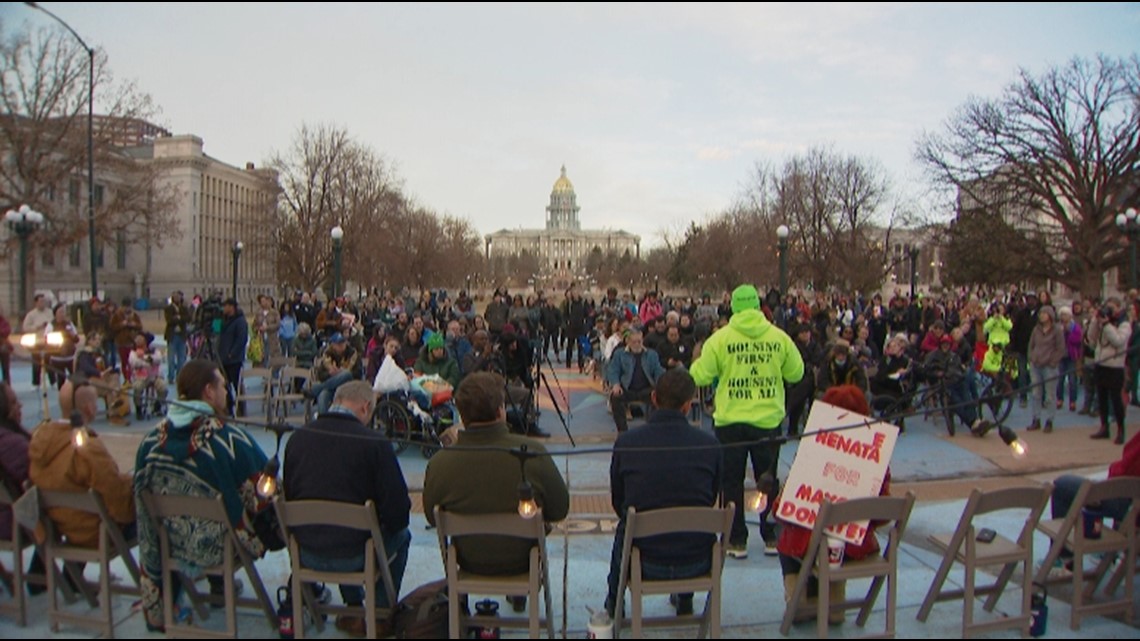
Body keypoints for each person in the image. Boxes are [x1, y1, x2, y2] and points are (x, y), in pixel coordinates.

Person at [134, 359, 277, 632]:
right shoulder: (229, 440)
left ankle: (206, 588)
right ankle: (301, 599)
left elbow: (141, 503)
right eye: (223, 385)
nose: (227, 392)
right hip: (221, 547)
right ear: (209, 392)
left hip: (171, 543)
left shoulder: (150, 444)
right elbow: (265, 494)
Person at [284, 381, 411, 637]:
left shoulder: (297, 439)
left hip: (305, 551)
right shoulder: (375, 444)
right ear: (365, 408)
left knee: (342, 530)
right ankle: (380, 615)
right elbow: (399, 514)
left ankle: (353, 607)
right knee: (400, 536)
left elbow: (289, 495)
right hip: (356, 555)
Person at [690, 284, 805, 559]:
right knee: (768, 479)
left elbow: (700, 376)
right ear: (757, 306)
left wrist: (698, 361)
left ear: (733, 308)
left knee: (731, 481)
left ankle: (735, 539)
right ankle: (771, 535)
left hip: (730, 419)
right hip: (767, 419)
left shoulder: (720, 339)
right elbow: (796, 373)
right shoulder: (779, 337)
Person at [423, 372, 568, 580]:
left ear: (462, 415)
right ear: (501, 411)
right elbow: (559, 509)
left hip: (467, 560)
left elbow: (432, 516)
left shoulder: (439, 463)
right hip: (522, 560)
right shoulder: (532, 452)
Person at [602, 369, 722, 618]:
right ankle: (685, 599)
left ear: (654, 398)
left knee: (627, 523)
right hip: (698, 561)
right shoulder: (709, 445)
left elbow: (619, 501)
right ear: (688, 406)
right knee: (691, 512)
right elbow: (710, 498)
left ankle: (614, 601)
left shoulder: (627, 443)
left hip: (643, 560)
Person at [774, 384, 890, 624]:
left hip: (808, 546)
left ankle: (799, 598)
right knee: (835, 538)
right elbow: (882, 515)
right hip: (855, 547)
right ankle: (834, 602)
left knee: (787, 534)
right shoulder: (877, 461)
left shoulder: (811, 454)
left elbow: (782, 510)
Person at [29, 382, 135, 549]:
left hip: (61, 528)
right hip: (96, 533)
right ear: (89, 409)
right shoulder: (89, 450)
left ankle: (70, 576)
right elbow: (120, 503)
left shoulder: (40, 444)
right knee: (153, 519)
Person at [1047, 427, 1140, 574]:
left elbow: (1126, 470)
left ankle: (1064, 557)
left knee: (1062, 486)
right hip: (1131, 503)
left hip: (1129, 504)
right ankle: (1114, 549)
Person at [1088, 298, 1131, 444]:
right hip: (1100, 364)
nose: (1109, 311)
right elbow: (1091, 339)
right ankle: (1104, 427)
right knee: (1102, 398)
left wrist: (1106, 325)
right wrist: (1095, 321)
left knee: (1116, 400)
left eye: (1112, 308)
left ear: (1119, 308)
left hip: (1115, 367)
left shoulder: (1124, 324)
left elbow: (1118, 341)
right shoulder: (1102, 323)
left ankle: (1120, 430)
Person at [606, 329, 665, 433]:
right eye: (634, 342)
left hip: (647, 388)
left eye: (639, 341)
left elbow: (658, 370)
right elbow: (613, 370)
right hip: (627, 388)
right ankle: (622, 430)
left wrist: (660, 384)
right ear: (628, 341)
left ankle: (652, 428)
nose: (637, 344)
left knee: (660, 397)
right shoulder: (620, 354)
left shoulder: (652, 354)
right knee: (615, 398)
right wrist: (615, 384)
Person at [1026, 305, 1064, 433]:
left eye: (1044, 313)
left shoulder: (1057, 330)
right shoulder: (1036, 329)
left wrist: (1053, 362)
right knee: (1036, 393)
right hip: (1036, 364)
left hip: (1049, 366)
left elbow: (1060, 349)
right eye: (1040, 313)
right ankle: (1036, 419)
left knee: (1050, 395)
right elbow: (1031, 344)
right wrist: (1031, 357)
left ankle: (1049, 420)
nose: (1042, 315)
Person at [309, 333, 363, 415]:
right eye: (338, 344)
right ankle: (323, 422)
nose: (341, 346)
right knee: (323, 394)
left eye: (343, 343)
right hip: (332, 387)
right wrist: (330, 373)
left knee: (346, 374)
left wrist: (341, 373)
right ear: (333, 345)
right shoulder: (327, 356)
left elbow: (358, 374)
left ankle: (317, 388)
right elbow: (320, 375)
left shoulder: (353, 355)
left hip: (348, 386)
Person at [218, 298, 248, 415]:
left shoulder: (240, 321)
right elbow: (215, 331)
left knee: (237, 385)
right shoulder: (222, 320)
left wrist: (233, 353)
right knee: (224, 385)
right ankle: (228, 407)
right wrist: (216, 318)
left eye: (225, 306)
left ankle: (241, 408)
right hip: (222, 358)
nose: (223, 309)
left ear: (232, 307)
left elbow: (242, 339)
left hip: (234, 359)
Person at [129, 334, 169, 419]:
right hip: (141, 378)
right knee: (137, 388)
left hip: (155, 377)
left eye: (142, 345)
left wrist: (144, 357)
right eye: (138, 345)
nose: (140, 347)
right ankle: (139, 408)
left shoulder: (154, 351)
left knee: (163, 388)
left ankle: (157, 405)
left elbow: (158, 359)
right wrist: (146, 362)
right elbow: (134, 363)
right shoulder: (133, 353)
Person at [110, 298, 143, 384]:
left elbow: (140, 326)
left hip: (132, 341)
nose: (127, 309)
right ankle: (126, 379)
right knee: (124, 362)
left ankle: (134, 378)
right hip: (122, 342)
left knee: (133, 361)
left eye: (129, 307)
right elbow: (112, 327)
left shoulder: (134, 315)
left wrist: (134, 325)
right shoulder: (117, 315)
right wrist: (121, 324)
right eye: (125, 307)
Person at [22, 294, 53, 386]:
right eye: (40, 301)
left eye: (44, 301)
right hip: (37, 341)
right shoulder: (31, 315)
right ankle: (36, 383)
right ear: (36, 303)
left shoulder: (50, 312)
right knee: (36, 363)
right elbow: (25, 328)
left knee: (49, 362)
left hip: (49, 340)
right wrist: (37, 327)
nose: (42, 303)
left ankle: (53, 381)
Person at [164, 291, 191, 384]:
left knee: (182, 358)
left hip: (182, 335)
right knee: (171, 358)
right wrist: (179, 319)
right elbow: (169, 320)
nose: (177, 299)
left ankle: (179, 376)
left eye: (179, 297)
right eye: (175, 297)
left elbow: (188, 318)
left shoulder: (184, 308)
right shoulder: (168, 308)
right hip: (172, 336)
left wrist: (178, 318)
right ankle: (170, 377)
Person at [253, 294, 282, 366]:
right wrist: (258, 328)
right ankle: (263, 372)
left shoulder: (274, 313)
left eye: (267, 301)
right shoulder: (258, 313)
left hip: (272, 338)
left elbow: (278, 324)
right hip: (261, 338)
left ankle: (274, 373)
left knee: (273, 356)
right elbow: (254, 325)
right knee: (263, 356)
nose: (265, 303)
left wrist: (268, 327)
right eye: (262, 301)